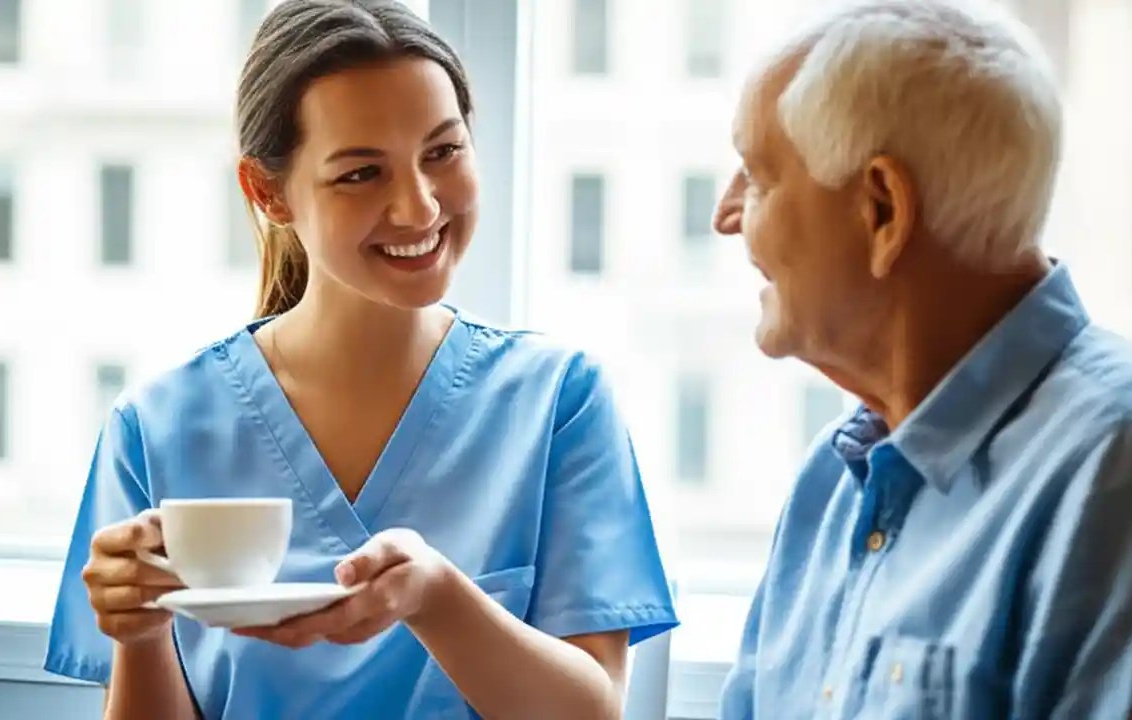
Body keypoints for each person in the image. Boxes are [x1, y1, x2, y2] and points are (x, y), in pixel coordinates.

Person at [42, 1, 677, 718]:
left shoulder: (560, 401)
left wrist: (438, 598)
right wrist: (142, 632)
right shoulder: (155, 428)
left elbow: (594, 711)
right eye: (360, 174)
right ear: (267, 191)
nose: (418, 208)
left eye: (443, 152)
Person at [712, 1, 1132, 718]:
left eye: (757, 177)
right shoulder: (829, 482)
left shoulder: (1114, 471)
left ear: (882, 210)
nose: (726, 215)